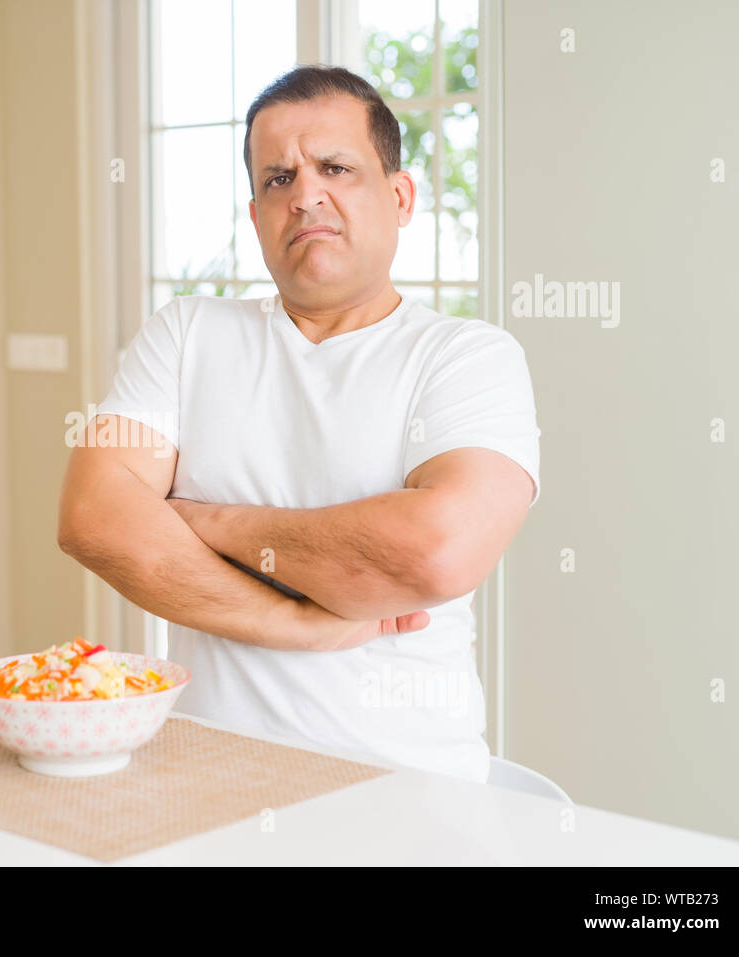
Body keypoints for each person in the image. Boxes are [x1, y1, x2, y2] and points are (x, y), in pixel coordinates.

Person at [57, 65, 540, 782]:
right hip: (206, 783)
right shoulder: (187, 333)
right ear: (255, 215)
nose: (305, 194)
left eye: (336, 168)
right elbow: (93, 518)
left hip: (410, 793)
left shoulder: (467, 357)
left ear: (400, 196)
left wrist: (205, 521)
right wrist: (299, 624)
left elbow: (433, 551)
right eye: (277, 178)